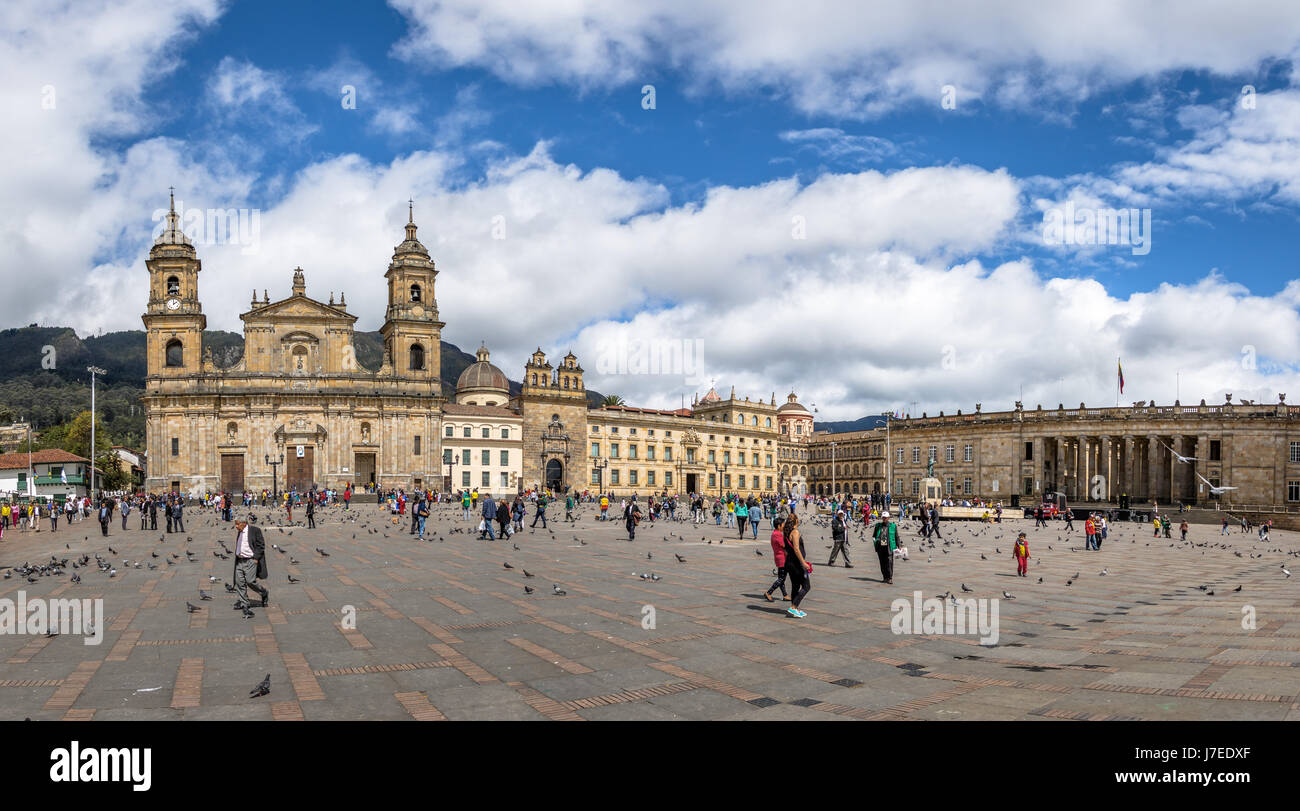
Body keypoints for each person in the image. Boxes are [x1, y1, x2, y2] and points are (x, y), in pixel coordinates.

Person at [232, 515, 269, 618]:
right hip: (239, 560)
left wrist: (256, 559)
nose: (236, 526)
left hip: (250, 561)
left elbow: (261, 545)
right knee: (239, 582)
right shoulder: (239, 531)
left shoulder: (255, 530)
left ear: (244, 523)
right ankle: (244, 603)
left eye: (237, 524)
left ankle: (263, 592)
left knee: (250, 581)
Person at [781, 515, 811, 618]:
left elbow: (785, 549)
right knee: (806, 586)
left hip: (789, 563)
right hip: (797, 564)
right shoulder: (795, 532)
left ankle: (795, 608)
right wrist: (803, 562)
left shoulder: (786, 532)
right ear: (796, 521)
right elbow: (797, 549)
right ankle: (793, 607)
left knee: (795, 586)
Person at [764, 519, 789, 602]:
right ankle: (769, 592)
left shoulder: (775, 533)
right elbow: (784, 545)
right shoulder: (777, 534)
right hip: (782, 558)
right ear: (779, 526)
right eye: (783, 525)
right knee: (781, 578)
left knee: (781, 578)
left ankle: (785, 595)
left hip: (779, 557)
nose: (784, 526)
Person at [872, 511, 898, 584]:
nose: (884, 519)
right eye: (883, 517)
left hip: (889, 547)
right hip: (881, 547)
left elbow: (896, 536)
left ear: (888, 518)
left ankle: (890, 578)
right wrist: (875, 542)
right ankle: (885, 577)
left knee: (889, 563)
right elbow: (874, 536)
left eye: (885, 518)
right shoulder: (878, 526)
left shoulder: (893, 526)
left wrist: (899, 546)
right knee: (882, 563)